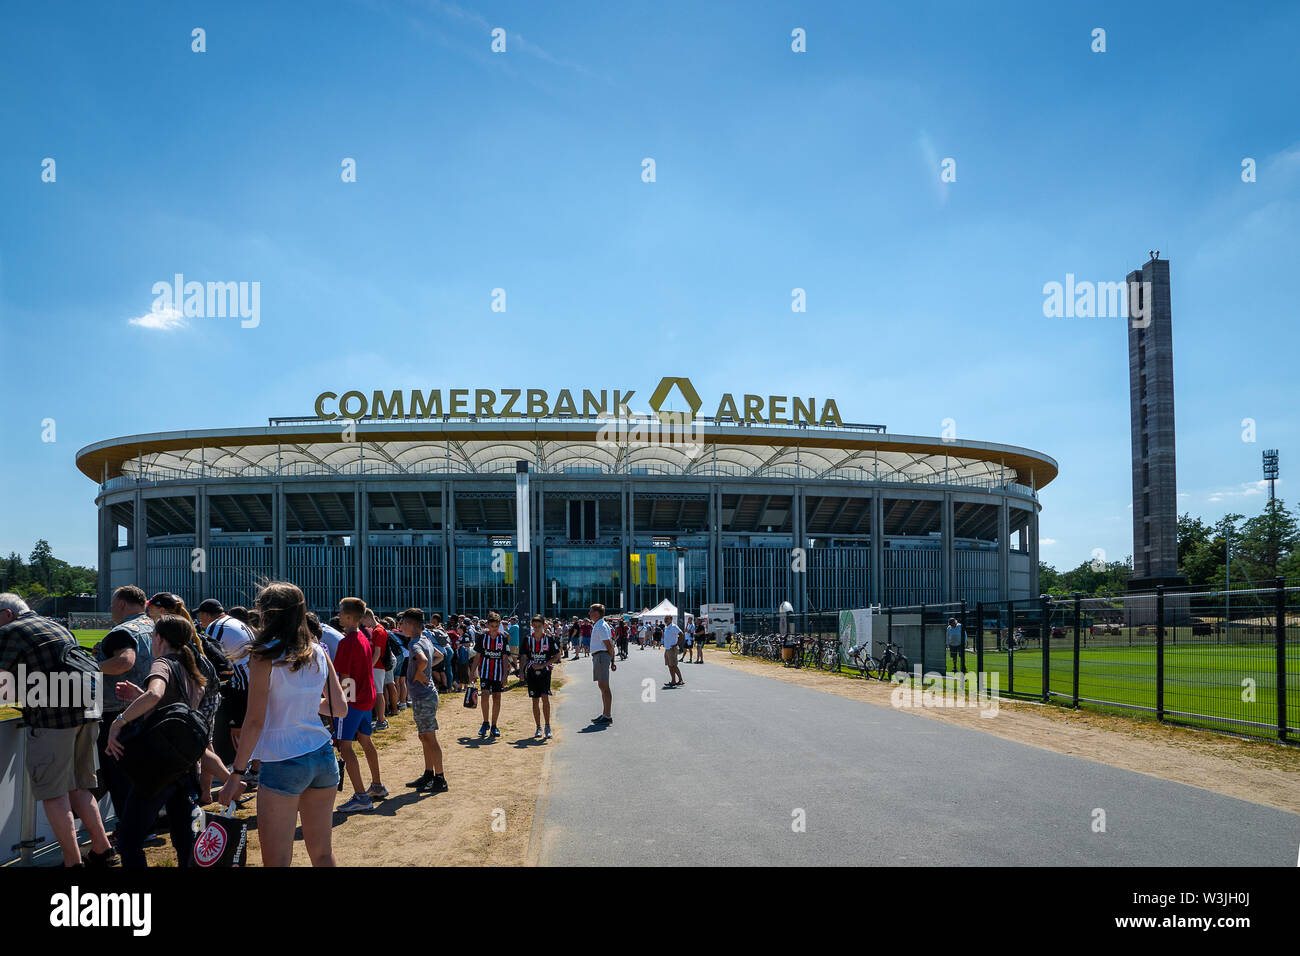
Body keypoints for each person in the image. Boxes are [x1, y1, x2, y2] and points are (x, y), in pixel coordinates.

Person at [217, 582, 346, 866]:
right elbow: (340, 708)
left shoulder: (264, 657)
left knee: (276, 861)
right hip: (322, 755)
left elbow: (254, 721)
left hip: (282, 760)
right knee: (323, 853)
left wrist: (235, 775)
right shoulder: (318, 651)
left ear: (265, 613)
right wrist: (303, 704)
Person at [0, 593, 116, 867]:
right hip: (88, 710)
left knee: (53, 793)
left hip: (53, 718)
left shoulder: (10, 631)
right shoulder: (56, 626)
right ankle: (102, 849)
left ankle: (72, 862)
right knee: (79, 786)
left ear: (6, 614)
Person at [106, 613, 218, 868]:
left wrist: (119, 721)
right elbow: (175, 711)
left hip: (158, 768)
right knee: (184, 838)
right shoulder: (193, 669)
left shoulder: (163, 664)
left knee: (129, 839)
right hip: (185, 767)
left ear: (158, 638)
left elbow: (156, 695)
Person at [147, 592, 231, 802]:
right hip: (204, 691)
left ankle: (226, 784)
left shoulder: (172, 630)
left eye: (151, 606)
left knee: (199, 745)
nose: (148, 610)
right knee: (202, 743)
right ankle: (208, 792)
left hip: (199, 692)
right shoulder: (183, 626)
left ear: (163, 610)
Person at [93, 585, 156, 826]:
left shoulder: (122, 631)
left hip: (120, 712)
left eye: (112, 605)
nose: (111, 610)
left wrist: (91, 667)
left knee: (120, 774)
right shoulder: (154, 627)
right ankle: (146, 823)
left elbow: (124, 662)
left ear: (121, 604)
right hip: (150, 705)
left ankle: (132, 827)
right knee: (143, 772)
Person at [334, 597, 385, 812]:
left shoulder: (347, 642)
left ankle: (361, 796)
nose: (338, 616)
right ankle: (377, 785)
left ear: (347, 616)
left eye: (340, 612)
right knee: (365, 740)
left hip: (353, 701)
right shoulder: (364, 636)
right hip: (366, 698)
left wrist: (341, 704)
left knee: (345, 746)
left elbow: (345, 677)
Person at [196, 598, 255, 767]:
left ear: (207, 615)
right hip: (249, 679)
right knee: (243, 727)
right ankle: (245, 765)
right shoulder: (232, 621)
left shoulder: (216, 626)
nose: (200, 621)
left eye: (200, 616)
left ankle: (237, 767)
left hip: (240, 683)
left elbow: (209, 654)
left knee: (236, 729)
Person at [399, 608, 448, 793]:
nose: (401, 626)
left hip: (423, 696)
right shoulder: (425, 639)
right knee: (424, 736)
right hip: (426, 696)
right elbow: (439, 656)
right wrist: (424, 672)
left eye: (403, 623)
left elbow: (423, 660)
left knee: (430, 737)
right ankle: (429, 774)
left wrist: (420, 673)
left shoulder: (414, 644)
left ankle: (440, 778)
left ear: (411, 625)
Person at [472, 612, 513, 738]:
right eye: (492, 626)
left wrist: (505, 675)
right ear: (488, 625)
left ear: (499, 625)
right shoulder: (482, 637)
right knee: (484, 696)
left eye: (496, 626)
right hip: (485, 671)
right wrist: (472, 671)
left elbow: (505, 657)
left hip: (498, 673)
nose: (494, 628)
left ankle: (494, 725)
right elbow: (477, 655)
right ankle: (485, 722)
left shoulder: (503, 638)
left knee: (497, 697)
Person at [521, 614, 562, 739]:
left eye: (539, 626)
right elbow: (523, 656)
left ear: (544, 626)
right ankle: (538, 727)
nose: (537, 628)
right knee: (534, 699)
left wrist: (543, 664)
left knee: (545, 697)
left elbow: (557, 655)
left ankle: (547, 726)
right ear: (532, 626)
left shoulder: (549, 639)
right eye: (535, 626)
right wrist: (522, 672)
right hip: (532, 672)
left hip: (545, 672)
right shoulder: (527, 639)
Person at [363, 609, 391, 730]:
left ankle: (381, 720)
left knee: (378, 692)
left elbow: (377, 652)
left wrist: (369, 667)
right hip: (377, 666)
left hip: (377, 666)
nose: (363, 624)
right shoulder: (377, 630)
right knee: (378, 692)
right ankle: (381, 719)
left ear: (368, 617)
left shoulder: (378, 631)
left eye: (362, 620)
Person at [589, 603, 616, 724]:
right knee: (602, 686)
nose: (589, 614)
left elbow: (609, 644)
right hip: (600, 656)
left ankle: (607, 715)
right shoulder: (600, 625)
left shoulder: (601, 626)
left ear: (597, 613)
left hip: (601, 656)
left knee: (604, 687)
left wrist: (612, 659)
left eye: (591, 611)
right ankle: (605, 713)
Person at [663, 617, 684, 687]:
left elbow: (681, 634)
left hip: (672, 649)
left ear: (671, 619)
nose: (665, 620)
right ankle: (673, 681)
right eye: (665, 618)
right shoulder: (666, 627)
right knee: (670, 666)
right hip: (667, 649)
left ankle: (681, 680)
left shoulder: (674, 626)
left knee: (674, 665)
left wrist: (676, 644)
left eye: (667, 618)